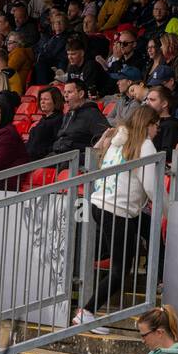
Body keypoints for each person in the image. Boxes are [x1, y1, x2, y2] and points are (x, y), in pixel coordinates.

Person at [73, 106, 161, 330]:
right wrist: (169, 210)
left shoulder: (118, 139)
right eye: (156, 125)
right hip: (117, 209)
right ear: (148, 124)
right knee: (121, 269)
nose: (158, 130)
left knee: (147, 231)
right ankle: (87, 312)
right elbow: (152, 186)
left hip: (102, 203)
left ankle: (161, 276)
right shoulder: (145, 144)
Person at [51, 79, 110, 155]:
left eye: (69, 92)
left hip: (75, 161)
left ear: (81, 94)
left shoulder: (92, 114)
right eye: (64, 92)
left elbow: (104, 138)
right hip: (58, 155)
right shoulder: (68, 114)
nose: (65, 95)